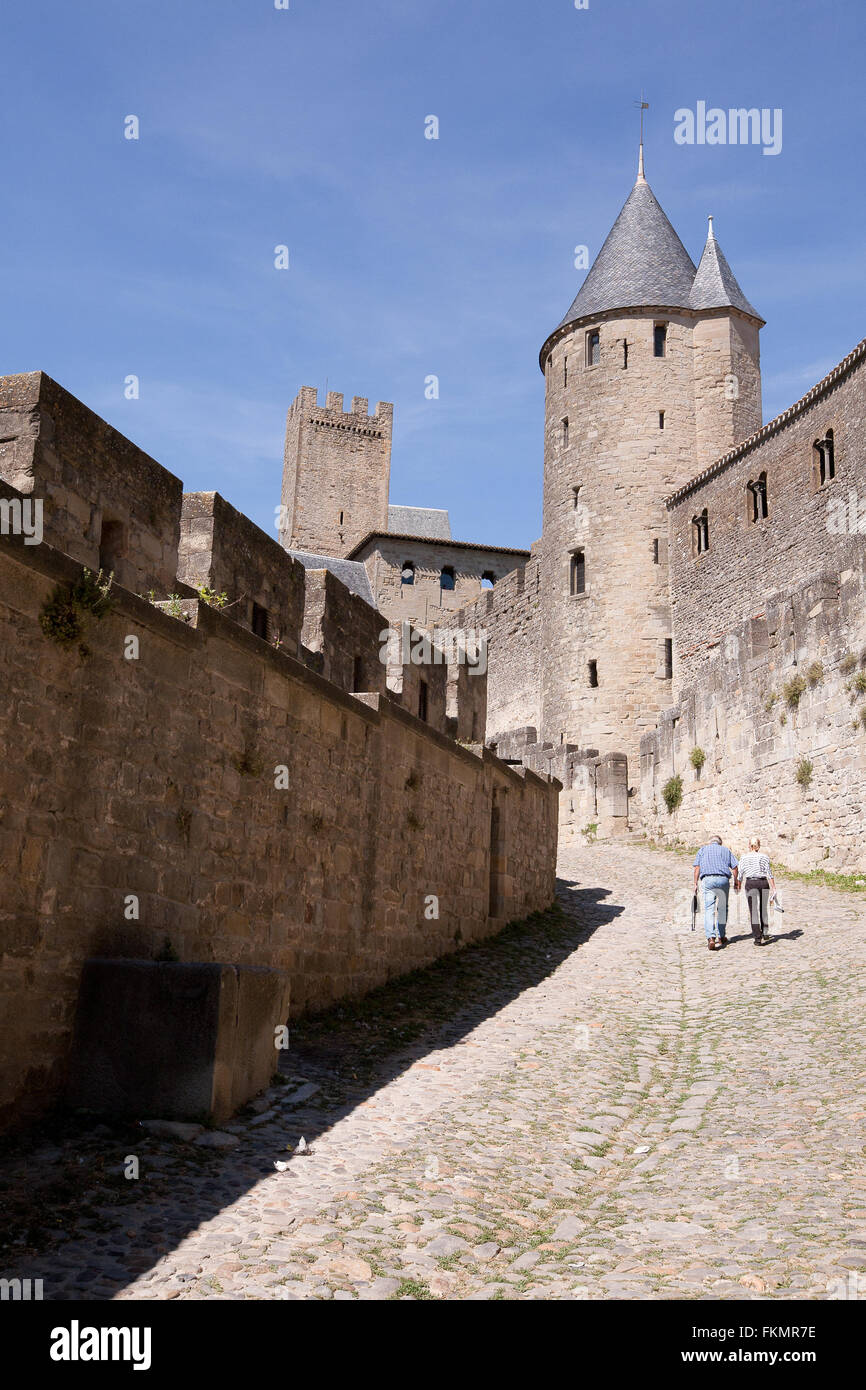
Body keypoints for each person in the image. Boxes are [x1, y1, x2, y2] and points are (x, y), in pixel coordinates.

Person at [692, 835, 739, 950]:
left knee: (709, 909)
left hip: (708, 880)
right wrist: (736, 881)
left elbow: (697, 868)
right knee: (723, 908)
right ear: (720, 843)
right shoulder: (726, 850)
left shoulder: (702, 850)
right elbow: (735, 867)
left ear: (710, 842)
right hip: (723, 880)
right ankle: (722, 936)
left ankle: (711, 938)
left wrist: (695, 883)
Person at [736, 837, 776, 946]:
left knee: (753, 910)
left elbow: (740, 874)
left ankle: (757, 938)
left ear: (749, 845)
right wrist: (774, 888)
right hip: (763, 882)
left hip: (751, 883)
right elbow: (769, 873)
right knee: (763, 908)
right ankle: (765, 931)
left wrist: (738, 885)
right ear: (759, 845)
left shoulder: (744, 857)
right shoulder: (764, 857)